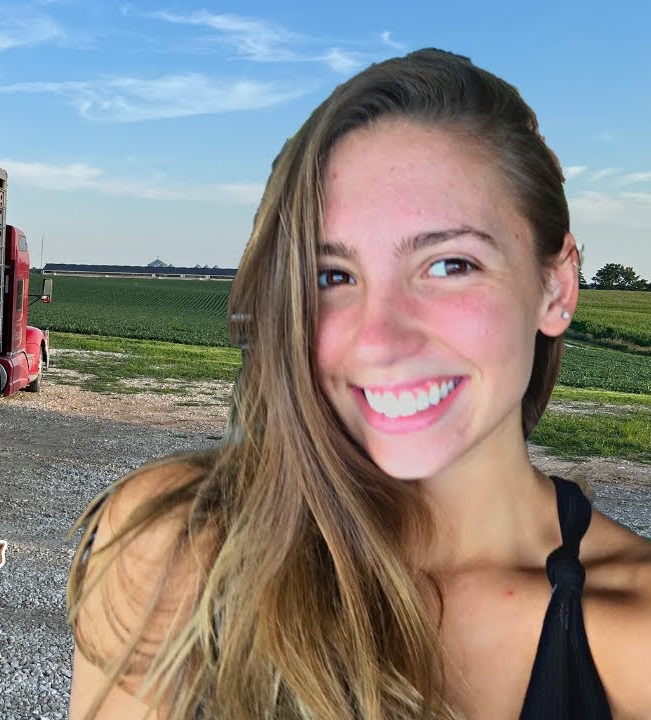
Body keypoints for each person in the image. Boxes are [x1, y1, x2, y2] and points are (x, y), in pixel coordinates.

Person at [66, 48, 651, 720]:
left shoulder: (635, 635)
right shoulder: (184, 545)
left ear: (557, 286)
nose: (379, 337)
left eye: (450, 264)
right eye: (332, 277)